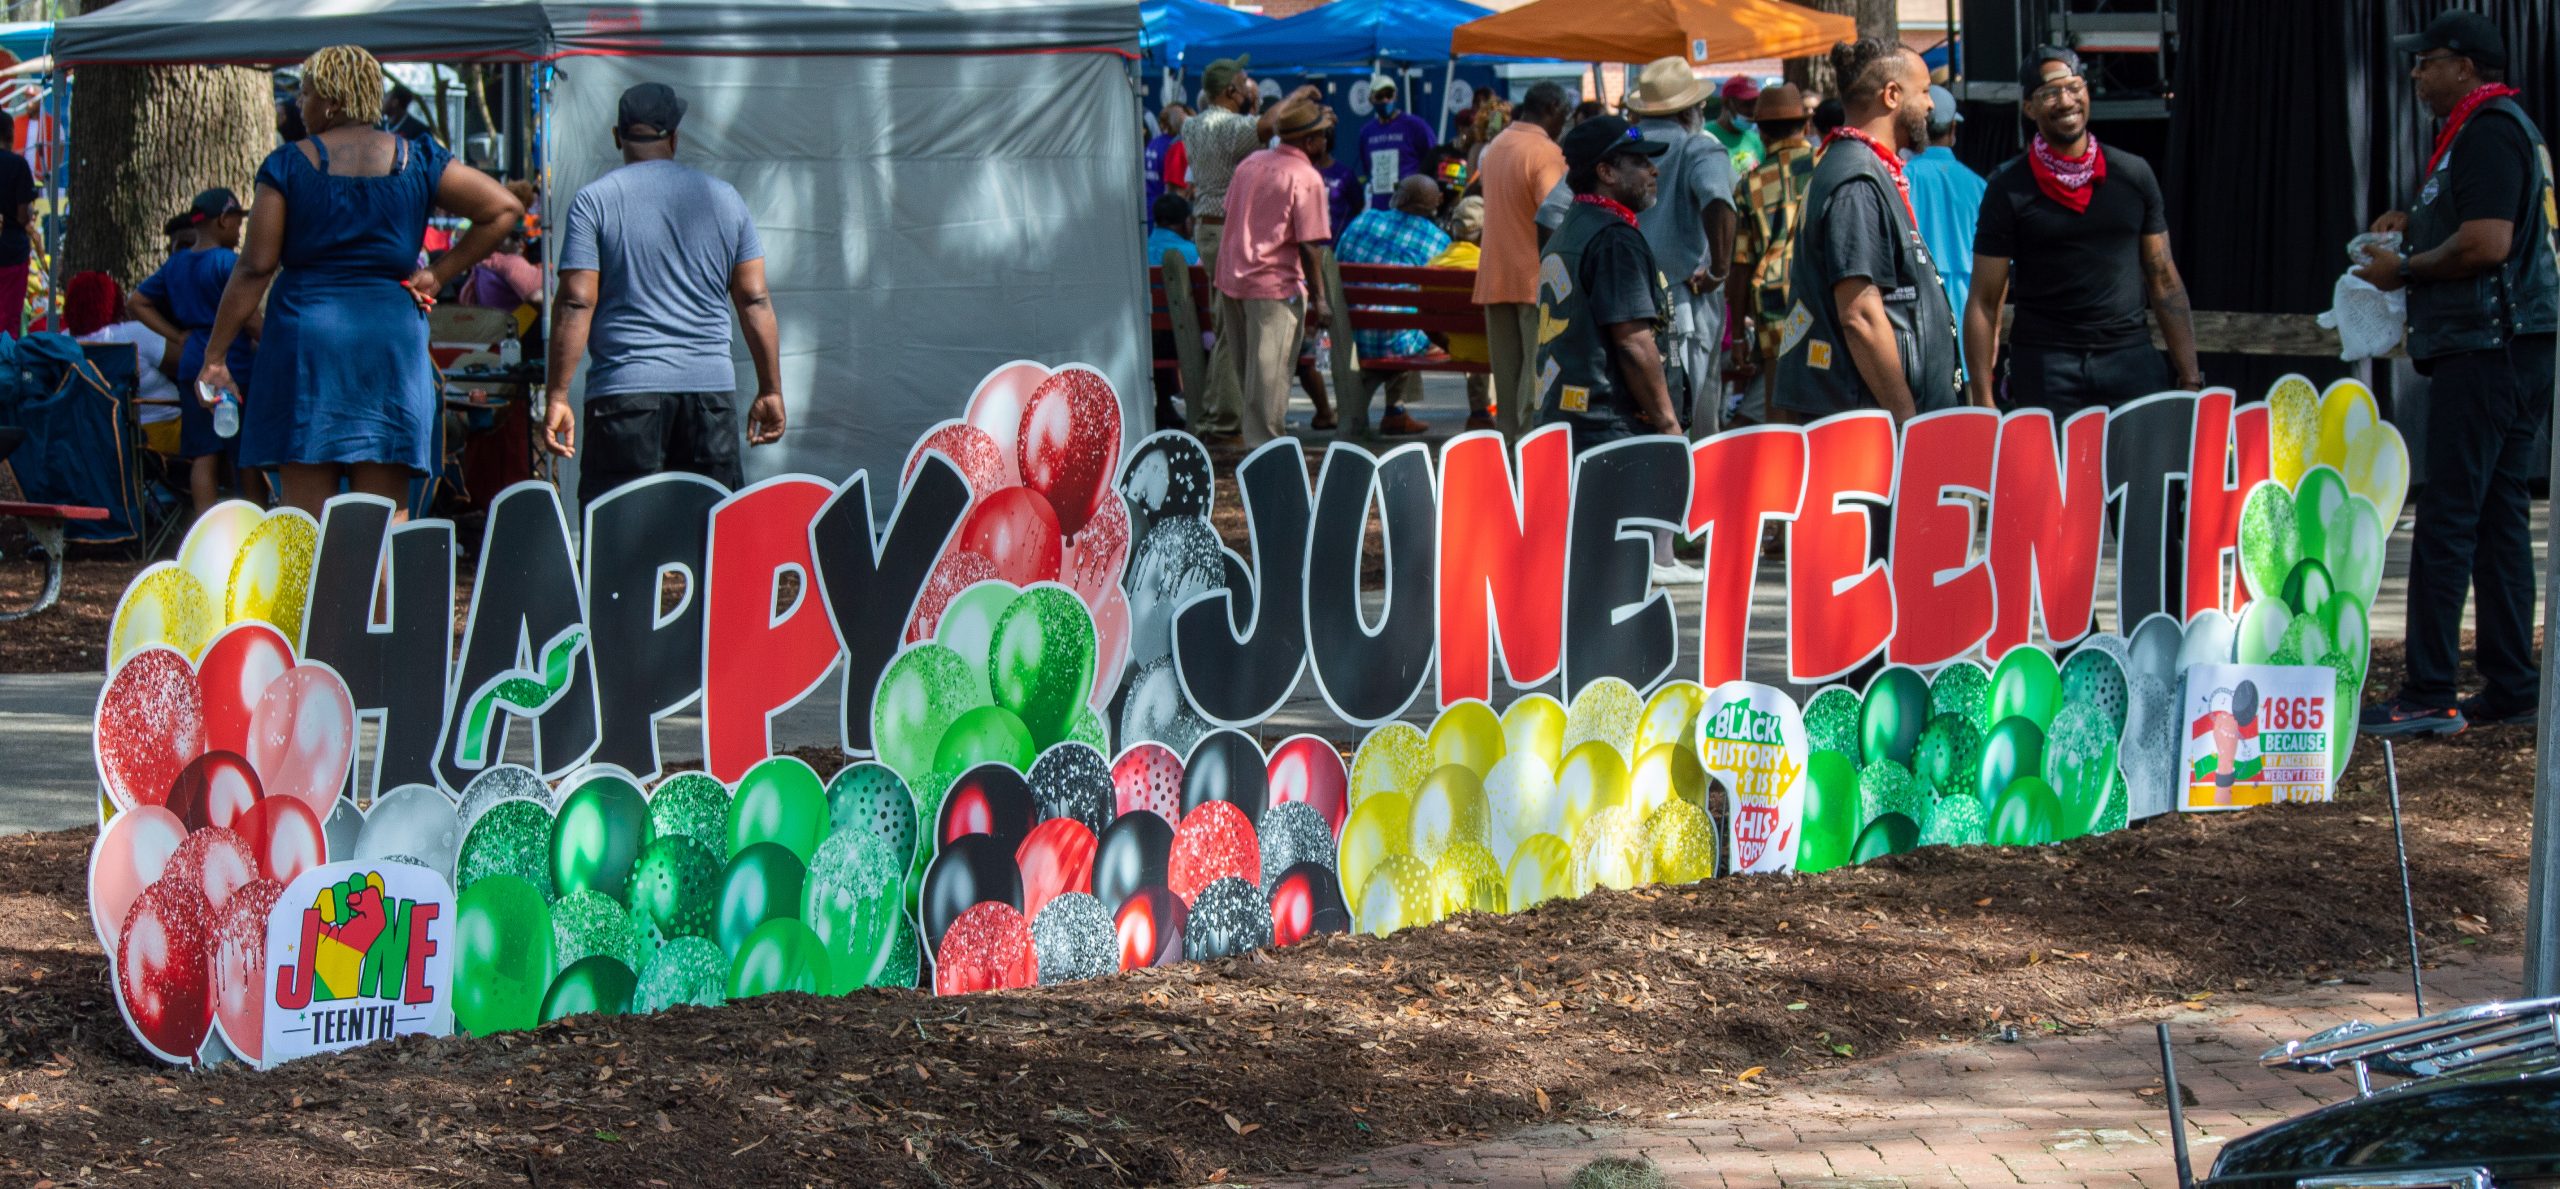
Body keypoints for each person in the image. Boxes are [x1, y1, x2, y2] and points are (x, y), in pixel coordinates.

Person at [199, 46, 521, 518]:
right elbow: (503, 209)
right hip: (390, 348)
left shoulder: (288, 165)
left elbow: (255, 267)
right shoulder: (419, 158)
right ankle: (381, 595)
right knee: (382, 525)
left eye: (304, 93)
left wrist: (215, 356)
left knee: (304, 528)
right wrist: (438, 274)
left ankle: (317, 595)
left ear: (330, 101)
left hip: (308, 348)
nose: (298, 106)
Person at [2354, 11, 2557, 736]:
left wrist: (2403, 267)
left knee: (2447, 517)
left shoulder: (2490, 131)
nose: (2414, 73)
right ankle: (2512, 684)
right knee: (2500, 516)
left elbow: (2490, 243)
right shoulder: (2485, 130)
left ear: (2465, 66)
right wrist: (2418, 224)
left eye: (2426, 60)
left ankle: (2429, 691)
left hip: (2492, 349)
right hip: (2511, 347)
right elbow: (2473, 229)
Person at [540, 83, 784, 505]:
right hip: (709, 396)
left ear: (617, 137)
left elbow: (578, 300)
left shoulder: (593, 202)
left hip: (623, 395)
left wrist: (558, 396)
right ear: (675, 136)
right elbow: (754, 300)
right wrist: (770, 390)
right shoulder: (725, 200)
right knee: (712, 543)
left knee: (619, 546)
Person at [1963, 49, 2197, 414]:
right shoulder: (2008, 187)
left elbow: (2164, 278)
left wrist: (2190, 378)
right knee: (2051, 474)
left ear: (2087, 93)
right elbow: (1983, 300)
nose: (2066, 101)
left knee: (2137, 471)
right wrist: (1982, 399)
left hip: (2129, 360)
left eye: (2074, 87)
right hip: (2046, 366)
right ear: (2029, 108)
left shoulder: (2132, 174)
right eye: (2050, 93)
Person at [1538, 116, 1691, 583]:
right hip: (1608, 424)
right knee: (1617, 576)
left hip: (1571, 418)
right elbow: (1632, 339)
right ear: (1606, 171)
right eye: (1640, 161)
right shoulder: (1612, 238)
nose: (1653, 171)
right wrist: (1668, 423)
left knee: (1586, 568)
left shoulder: (1572, 227)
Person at [1774, 39, 1956, 422]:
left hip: (1866, 414)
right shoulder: (1856, 183)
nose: (1930, 105)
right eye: (1923, 91)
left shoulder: (1859, 169)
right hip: (1864, 424)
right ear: (1891, 95)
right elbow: (1860, 314)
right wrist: (1906, 418)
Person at [1184, 58, 1321, 443]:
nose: (1250, 89)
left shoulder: (1194, 125)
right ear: (1230, 91)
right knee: (1231, 330)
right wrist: (1295, 97)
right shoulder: (1230, 128)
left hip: (1208, 229)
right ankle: (1225, 417)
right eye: (1245, 84)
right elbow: (1270, 126)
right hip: (1228, 229)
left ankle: (1222, 413)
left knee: (1227, 324)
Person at [132, 188, 262, 517]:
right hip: (232, 365)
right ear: (223, 220)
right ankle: (258, 523)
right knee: (244, 454)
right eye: (236, 221)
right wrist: (271, 340)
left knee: (203, 453)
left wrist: (178, 337)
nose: (238, 229)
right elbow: (248, 317)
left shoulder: (177, 264)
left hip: (193, 365)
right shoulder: (229, 263)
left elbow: (136, 302)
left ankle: (205, 529)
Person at [1626, 56, 1738, 438]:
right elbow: (1719, 202)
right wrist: (1719, 271)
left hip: (1620, 298)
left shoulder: (1621, 146)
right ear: (1691, 110)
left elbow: (1552, 211)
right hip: (1680, 299)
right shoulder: (1697, 149)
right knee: (1691, 415)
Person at [1219, 102, 1336, 447]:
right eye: (1323, 136)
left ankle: (1258, 449)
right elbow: (1310, 245)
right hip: (1272, 287)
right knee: (1269, 384)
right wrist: (1320, 300)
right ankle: (1267, 458)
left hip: (1232, 280)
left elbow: (1230, 213)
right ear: (1312, 141)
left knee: (1249, 378)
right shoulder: (1305, 177)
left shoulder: (1249, 164)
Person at [1476, 81, 1572, 439]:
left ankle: (1508, 463)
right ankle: (1528, 463)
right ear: (1550, 109)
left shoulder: (1496, 146)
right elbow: (1554, 214)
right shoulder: (1545, 152)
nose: (1564, 123)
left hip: (1494, 278)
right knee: (1535, 386)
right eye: (1563, 115)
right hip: (1535, 280)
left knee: (1506, 384)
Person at [1728, 84, 1818, 423]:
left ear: (1761, 132)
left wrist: (1737, 332)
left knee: (1781, 419)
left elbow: (1740, 265)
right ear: (1805, 126)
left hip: (1775, 307)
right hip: (1823, 300)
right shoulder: (1826, 168)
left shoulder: (1750, 184)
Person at [1335, 174, 1451, 436]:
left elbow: (1337, 262)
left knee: (1403, 318)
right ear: (1434, 205)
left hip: (1351, 335)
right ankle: (1395, 411)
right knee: (1413, 323)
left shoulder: (1363, 220)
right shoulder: (1437, 240)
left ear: (1398, 197)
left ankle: (1396, 412)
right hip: (1397, 341)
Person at [67, 272, 184, 455]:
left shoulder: (63, 342)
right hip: (158, 433)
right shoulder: (134, 334)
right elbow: (186, 364)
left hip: (95, 439)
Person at [1903, 84, 1985, 320]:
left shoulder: (1902, 180)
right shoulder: (1979, 185)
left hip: (1917, 303)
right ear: (1953, 129)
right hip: (1970, 304)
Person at [1430, 195, 1497, 429]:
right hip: (1496, 351)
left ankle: (1480, 413)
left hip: (1457, 348)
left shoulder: (1434, 265)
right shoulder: (1490, 266)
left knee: (1471, 340)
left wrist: (1445, 343)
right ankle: (1492, 412)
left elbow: (1428, 320)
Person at [1146, 194, 1200, 431]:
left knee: (1158, 330)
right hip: (1185, 341)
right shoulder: (1191, 253)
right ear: (1186, 222)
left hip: (1146, 340)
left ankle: (1165, 406)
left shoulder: (1139, 249)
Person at [1358, 75, 1434, 210]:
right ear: (1371, 99)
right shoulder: (1366, 132)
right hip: (1380, 207)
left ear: (1396, 96)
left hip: (1409, 205)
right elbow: (1367, 168)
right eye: (1380, 96)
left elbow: (1433, 157)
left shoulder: (1415, 125)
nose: (1385, 100)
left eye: (1389, 95)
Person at [462, 225, 543, 312]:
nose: (521, 243)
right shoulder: (510, 262)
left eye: (522, 237)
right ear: (497, 241)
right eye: (514, 237)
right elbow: (536, 297)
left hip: (494, 322)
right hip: (519, 323)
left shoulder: (482, 264)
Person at [0, 133, 34, 337]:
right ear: (11, 135)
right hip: (11, 252)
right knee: (9, 317)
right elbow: (23, 216)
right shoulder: (18, 165)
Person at [1705, 75, 1766, 175]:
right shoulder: (1705, 136)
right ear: (1727, 103)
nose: (1752, 111)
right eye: (1746, 104)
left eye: (1755, 104)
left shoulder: (1756, 140)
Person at [1145, 103, 1190, 218]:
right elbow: (1176, 187)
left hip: (1150, 205)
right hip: (1166, 210)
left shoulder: (1153, 143)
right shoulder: (1174, 145)